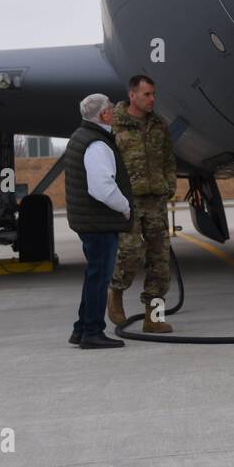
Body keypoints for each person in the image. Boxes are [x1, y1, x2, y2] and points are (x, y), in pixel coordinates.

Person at [108, 74, 177, 333]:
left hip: (156, 200)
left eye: (153, 94)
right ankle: (115, 291)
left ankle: (153, 317)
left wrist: (169, 185)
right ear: (132, 95)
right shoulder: (115, 125)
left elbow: (169, 159)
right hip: (128, 201)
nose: (152, 99)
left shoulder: (159, 125)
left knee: (159, 260)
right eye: (147, 94)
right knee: (130, 252)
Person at [65, 94, 133, 349]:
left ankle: (81, 328)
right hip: (99, 223)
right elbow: (102, 188)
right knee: (99, 277)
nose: (115, 112)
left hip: (90, 222)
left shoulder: (81, 137)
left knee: (94, 274)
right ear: (103, 115)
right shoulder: (97, 144)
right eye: (112, 109)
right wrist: (125, 207)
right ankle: (93, 332)